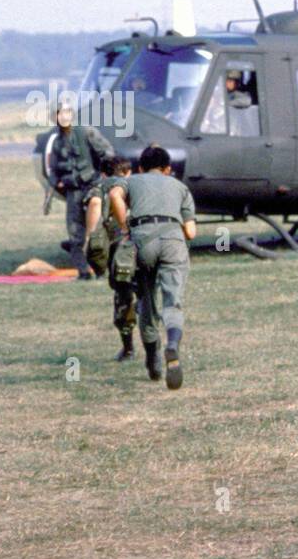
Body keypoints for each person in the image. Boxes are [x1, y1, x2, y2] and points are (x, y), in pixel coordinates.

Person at [108, 144, 196, 390]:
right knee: (173, 301)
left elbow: (114, 195)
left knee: (146, 301)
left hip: (142, 241)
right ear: (167, 169)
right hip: (173, 242)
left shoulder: (131, 181)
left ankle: (153, 360)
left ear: (139, 167)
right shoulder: (180, 187)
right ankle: (173, 345)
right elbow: (191, 231)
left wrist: (125, 226)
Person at [49, 100, 115, 279]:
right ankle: (83, 271)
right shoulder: (57, 142)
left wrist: (104, 176)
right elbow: (54, 169)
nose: (63, 117)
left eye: (66, 113)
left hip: (93, 187)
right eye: (59, 114)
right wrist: (57, 182)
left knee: (99, 230)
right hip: (74, 191)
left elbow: (107, 152)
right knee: (74, 232)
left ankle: (102, 270)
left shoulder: (86, 132)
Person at [83, 157, 138, 361]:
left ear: (104, 173)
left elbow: (95, 204)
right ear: (127, 172)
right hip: (142, 245)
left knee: (123, 298)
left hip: (118, 252)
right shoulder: (135, 186)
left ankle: (129, 348)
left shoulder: (99, 187)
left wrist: (90, 237)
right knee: (146, 292)